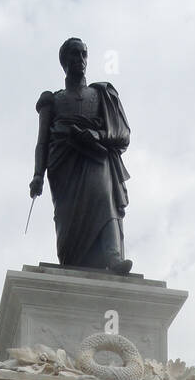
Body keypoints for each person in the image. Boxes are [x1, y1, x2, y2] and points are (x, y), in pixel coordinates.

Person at [29, 37, 132, 273]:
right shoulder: (52, 100)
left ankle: (113, 256)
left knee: (104, 196)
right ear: (64, 61)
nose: (81, 59)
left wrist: (96, 136)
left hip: (96, 155)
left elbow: (122, 134)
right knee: (66, 219)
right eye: (75, 54)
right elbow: (42, 141)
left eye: (84, 54)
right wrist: (37, 175)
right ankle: (70, 262)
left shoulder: (102, 94)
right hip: (63, 163)